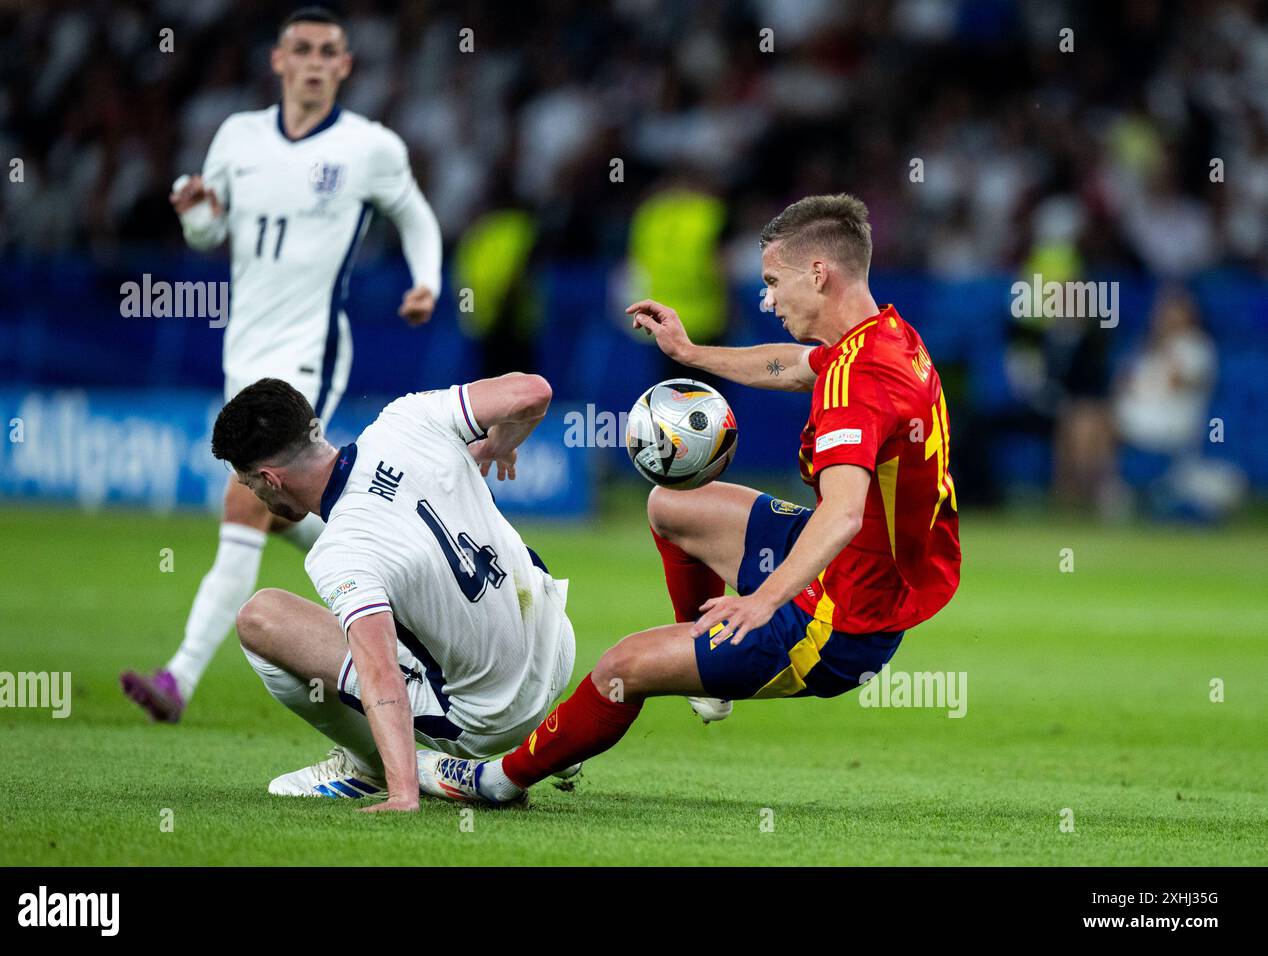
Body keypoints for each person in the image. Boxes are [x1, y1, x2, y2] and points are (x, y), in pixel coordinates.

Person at [410, 194, 962, 805]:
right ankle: (709, 672)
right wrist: (691, 354)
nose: (768, 300)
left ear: (819, 274)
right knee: (672, 505)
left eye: (773, 283)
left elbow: (843, 512)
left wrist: (761, 604)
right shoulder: (882, 336)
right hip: (860, 565)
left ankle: (496, 781)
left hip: (843, 619)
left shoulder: (860, 382)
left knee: (621, 670)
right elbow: (791, 366)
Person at [121, 7, 443, 722]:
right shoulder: (239, 137)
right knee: (285, 507)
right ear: (279, 61)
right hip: (247, 350)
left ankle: (177, 678)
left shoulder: (369, 147)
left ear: (345, 66)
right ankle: (419, 586)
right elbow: (211, 226)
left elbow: (414, 212)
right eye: (302, 49)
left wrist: (426, 279)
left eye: (330, 51)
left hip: (310, 352)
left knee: (242, 498)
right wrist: (194, 211)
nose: (315, 61)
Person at [211, 374, 575, 809]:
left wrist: (403, 794)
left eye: (249, 484)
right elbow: (534, 392)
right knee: (412, 612)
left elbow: (379, 671)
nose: (254, 495)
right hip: (556, 652)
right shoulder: (406, 417)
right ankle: (548, 737)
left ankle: (377, 770)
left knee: (260, 618)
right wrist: (497, 444)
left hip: (488, 720)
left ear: (271, 479)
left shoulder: (340, 550)